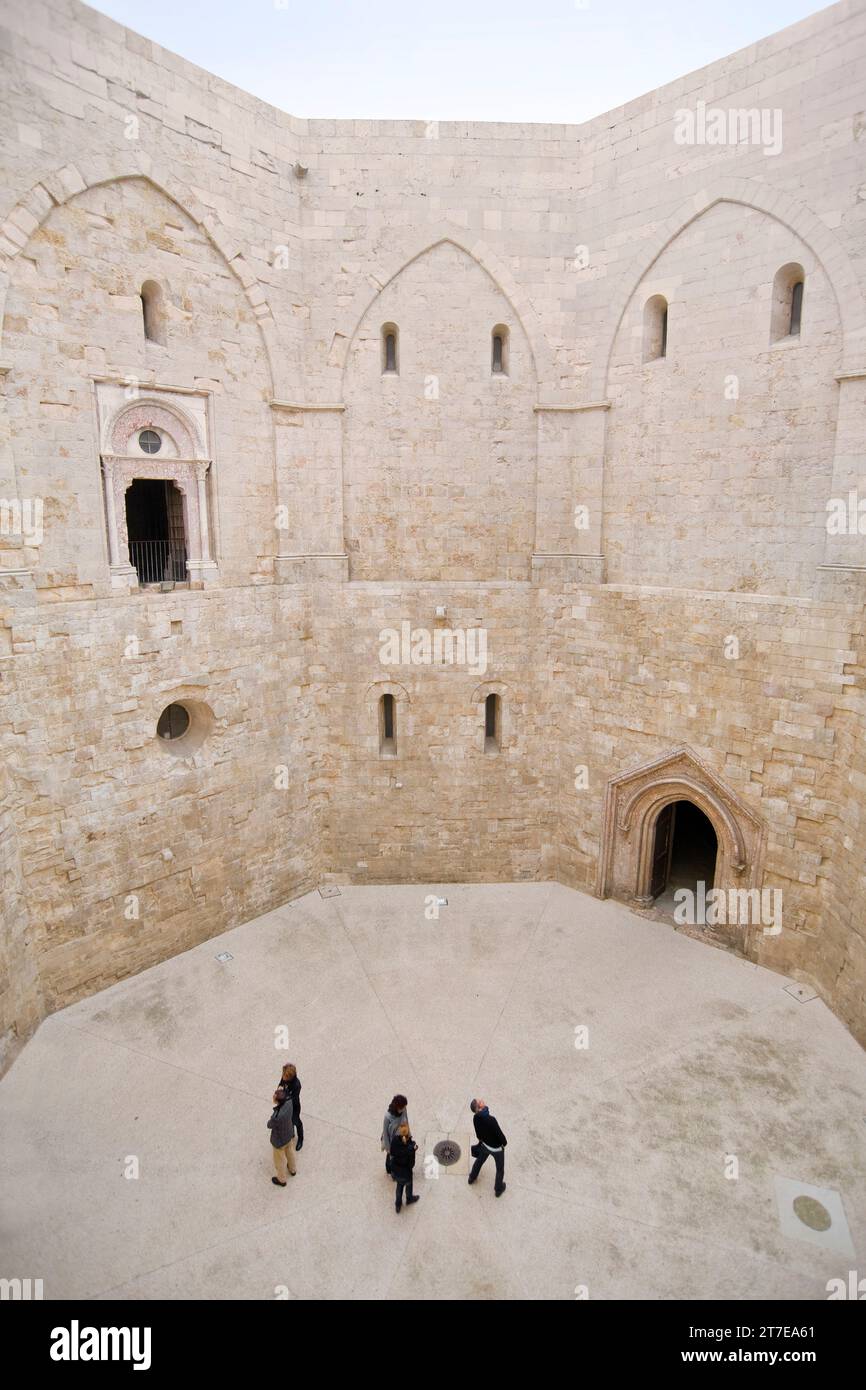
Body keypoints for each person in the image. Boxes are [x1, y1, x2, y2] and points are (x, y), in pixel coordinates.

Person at [467, 1097, 507, 1197]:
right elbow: (500, 1136)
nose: (481, 1100)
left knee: (479, 1161)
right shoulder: (491, 1120)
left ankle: (472, 1177)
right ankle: (498, 1189)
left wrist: (483, 1141)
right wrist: (504, 1144)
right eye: (479, 1102)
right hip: (497, 1149)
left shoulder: (475, 1118)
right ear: (479, 1108)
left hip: (485, 1146)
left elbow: (478, 1135)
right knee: (500, 1169)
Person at [268, 1086, 297, 1187]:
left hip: (279, 1141)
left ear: (278, 1102)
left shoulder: (276, 1116)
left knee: (279, 1160)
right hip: (288, 1133)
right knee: (290, 1152)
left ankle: (281, 1179)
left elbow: (269, 1125)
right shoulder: (289, 1102)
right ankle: (293, 1169)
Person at [389, 1123, 419, 1213]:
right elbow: (411, 1164)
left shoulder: (394, 1141)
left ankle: (398, 1204)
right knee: (408, 1185)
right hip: (406, 1173)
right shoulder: (410, 1148)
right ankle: (409, 1198)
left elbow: (392, 1152)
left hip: (396, 1171)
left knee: (399, 1186)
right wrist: (413, 1150)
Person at [277, 1062, 303, 1151]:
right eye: (283, 1075)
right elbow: (281, 1084)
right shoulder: (284, 1076)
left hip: (294, 1107)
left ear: (290, 1077)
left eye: (285, 1076)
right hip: (285, 1105)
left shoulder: (296, 1085)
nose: (283, 1077)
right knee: (289, 1121)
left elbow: (293, 1098)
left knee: (296, 1121)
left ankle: (300, 1139)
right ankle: (291, 1133)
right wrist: (279, 1089)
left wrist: (283, 1095)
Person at [381, 1094, 408, 1178]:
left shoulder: (403, 1110)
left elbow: (406, 1121)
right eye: (402, 1108)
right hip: (391, 1141)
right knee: (391, 1157)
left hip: (401, 1137)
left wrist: (407, 1136)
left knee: (400, 1156)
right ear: (397, 1107)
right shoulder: (387, 1117)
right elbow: (385, 1133)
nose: (404, 1109)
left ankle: (397, 1170)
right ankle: (390, 1170)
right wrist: (388, 1149)